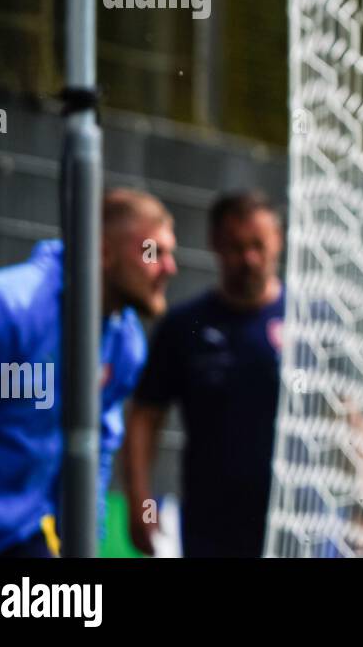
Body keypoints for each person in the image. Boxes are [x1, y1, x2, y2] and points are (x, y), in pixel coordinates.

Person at [0, 188, 177, 557]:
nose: (169, 267)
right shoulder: (7, 305)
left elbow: (95, 450)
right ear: (103, 251)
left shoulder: (125, 344)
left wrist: (83, 541)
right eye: (153, 252)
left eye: (171, 253)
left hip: (17, 538)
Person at [124, 190, 284, 557]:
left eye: (258, 245)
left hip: (295, 519)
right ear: (215, 244)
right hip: (210, 528)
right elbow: (145, 416)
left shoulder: (310, 322)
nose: (249, 259)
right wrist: (140, 501)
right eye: (236, 247)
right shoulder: (185, 326)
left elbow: (342, 410)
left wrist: (361, 501)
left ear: (279, 241)